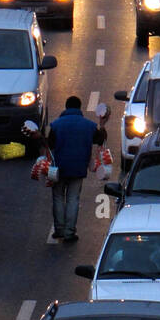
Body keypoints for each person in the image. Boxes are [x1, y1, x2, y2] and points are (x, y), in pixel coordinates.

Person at [45, 95, 107, 243]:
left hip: (58, 168)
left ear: (66, 107)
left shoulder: (56, 124)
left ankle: (58, 230)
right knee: (73, 199)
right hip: (78, 168)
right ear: (79, 108)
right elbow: (99, 140)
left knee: (58, 197)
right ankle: (69, 233)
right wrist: (102, 125)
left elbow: (49, 145)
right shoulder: (89, 125)